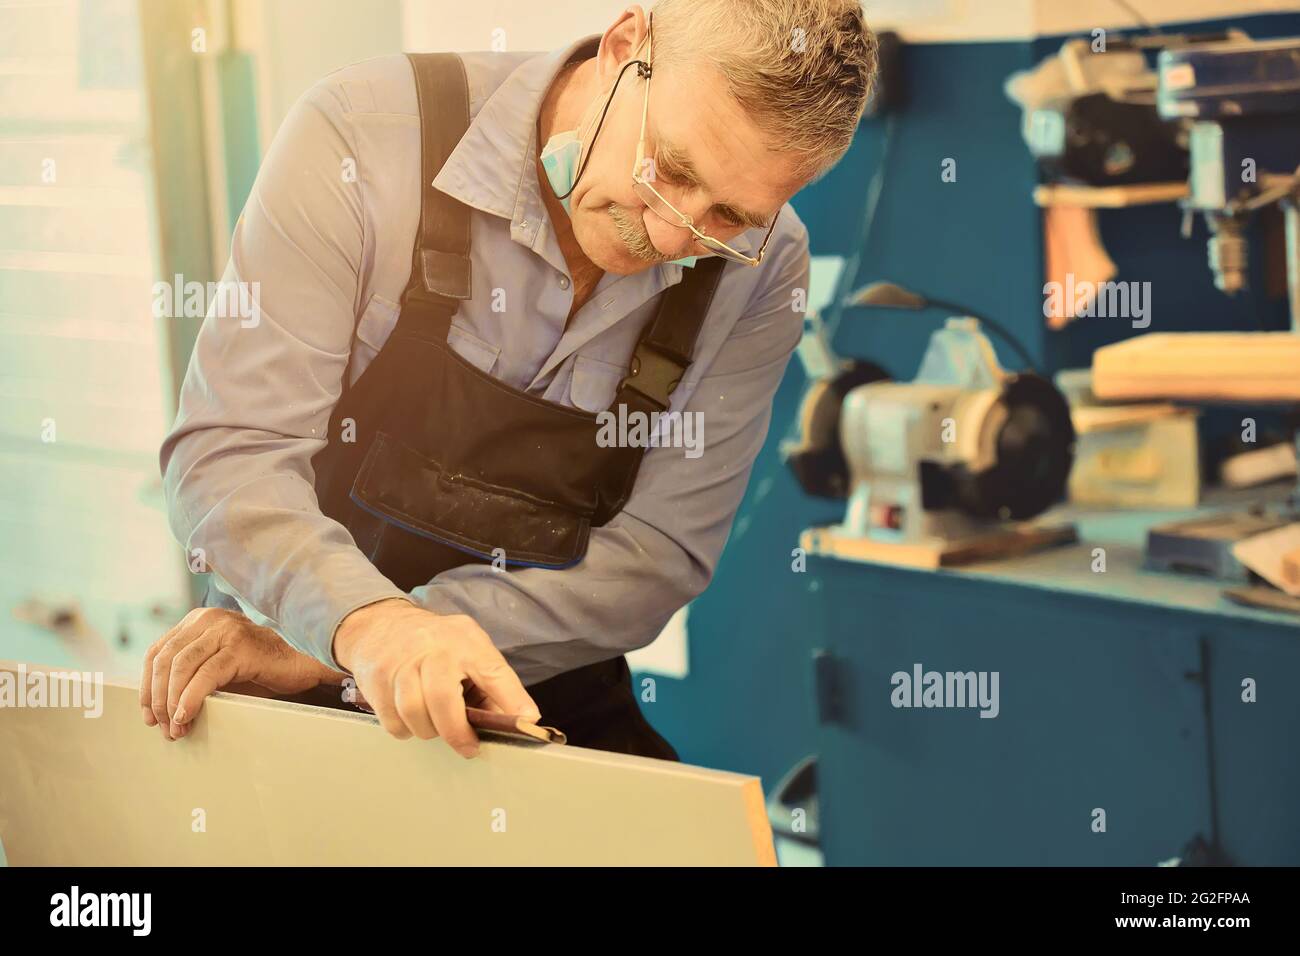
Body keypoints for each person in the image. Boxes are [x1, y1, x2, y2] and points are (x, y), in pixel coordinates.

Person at [143, 0, 877, 758]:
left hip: (532, 690)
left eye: (726, 215)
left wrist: (400, 642)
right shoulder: (360, 137)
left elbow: (659, 553)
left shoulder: (763, 270)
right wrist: (357, 627)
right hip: (282, 649)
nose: (666, 235)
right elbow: (231, 450)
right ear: (625, 46)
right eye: (672, 167)